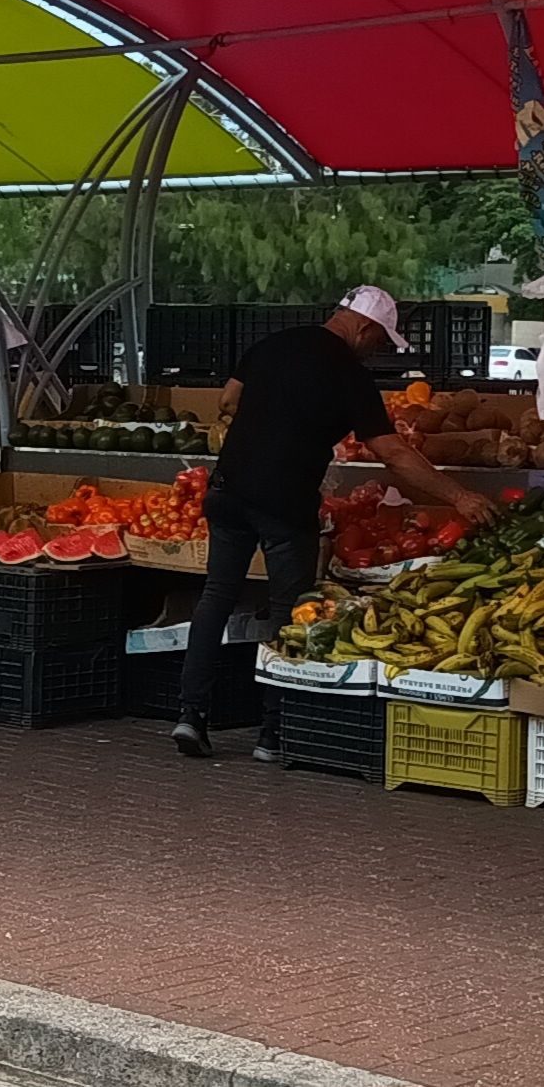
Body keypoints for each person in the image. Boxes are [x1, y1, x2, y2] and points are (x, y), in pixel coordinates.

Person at [175, 286, 495, 761]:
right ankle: (273, 732)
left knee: (217, 597)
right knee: (289, 612)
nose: (378, 350)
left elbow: (228, 399)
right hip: (284, 502)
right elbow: (393, 454)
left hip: (229, 490)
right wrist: (459, 496)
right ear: (363, 328)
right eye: (380, 341)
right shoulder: (349, 374)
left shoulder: (273, 344)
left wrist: (267, 425)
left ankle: (191, 717)